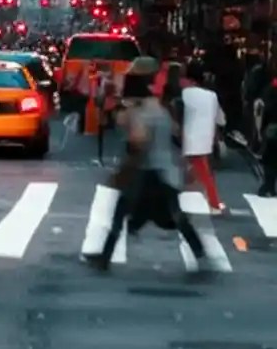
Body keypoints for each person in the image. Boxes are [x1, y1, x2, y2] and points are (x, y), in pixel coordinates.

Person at [84, 60, 209, 273]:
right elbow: (175, 133)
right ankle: (200, 253)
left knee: (147, 213)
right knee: (170, 215)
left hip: (150, 172)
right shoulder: (158, 107)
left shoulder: (143, 110)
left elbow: (139, 141)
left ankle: (106, 257)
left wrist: (125, 168)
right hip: (164, 170)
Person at [180, 62, 226, 213]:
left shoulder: (183, 94)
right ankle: (214, 204)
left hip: (181, 140)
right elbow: (221, 120)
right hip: (203, 142)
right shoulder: (212, 96)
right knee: (205, 175)